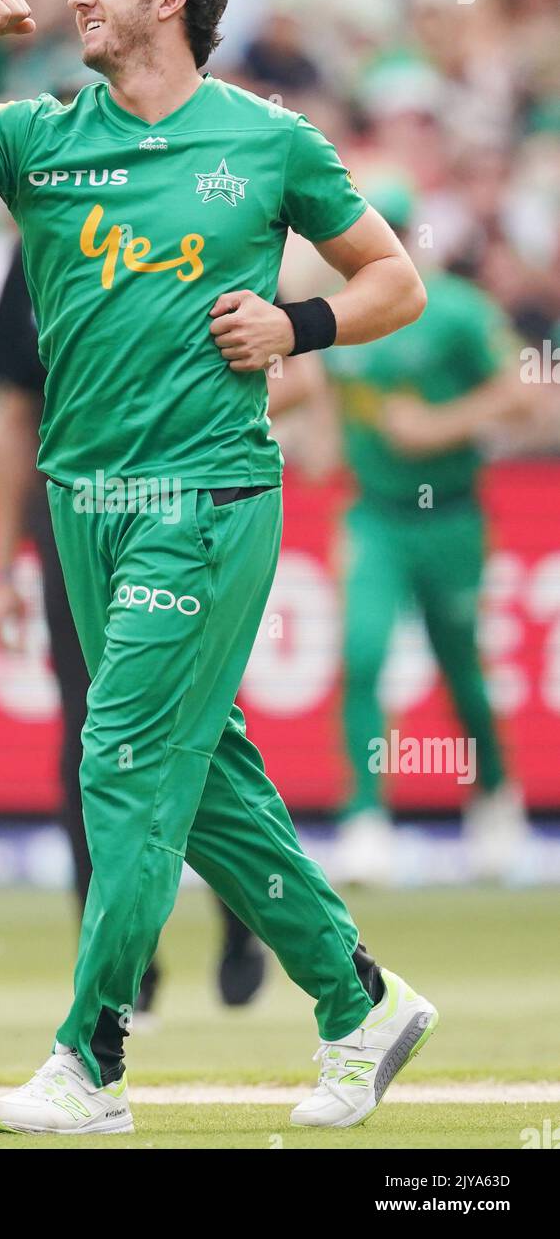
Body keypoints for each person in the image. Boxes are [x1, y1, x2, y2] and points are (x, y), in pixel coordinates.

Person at [0, 0, 435, 1135]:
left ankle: (89, 1061)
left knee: (119, 759)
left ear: (171, 1)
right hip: (81, 507)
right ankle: (358, 1002)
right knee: (198, 784)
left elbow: (393, 281)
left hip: (204, 497)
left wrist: (294, 326)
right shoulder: (39, 137)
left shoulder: (266, 142)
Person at [0, 234, 269, 1012]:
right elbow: (16, 408)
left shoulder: (189, 229)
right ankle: (119, 963)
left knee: (193, 725)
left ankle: (247, 916)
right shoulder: (39, 253)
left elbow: (272, 373)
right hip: (76, 511)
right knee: (92, 732)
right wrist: (3, 560)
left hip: (186, 503)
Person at [272, 185, 531, 884]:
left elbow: (523, 391)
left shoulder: (451, 308)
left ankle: (496, 796)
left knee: (461, 665)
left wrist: (439, 428)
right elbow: (332, 407)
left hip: (450, 512)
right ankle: (364, 818)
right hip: (375, 514)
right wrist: (319, 450)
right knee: (360, 653)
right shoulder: (336, 314)